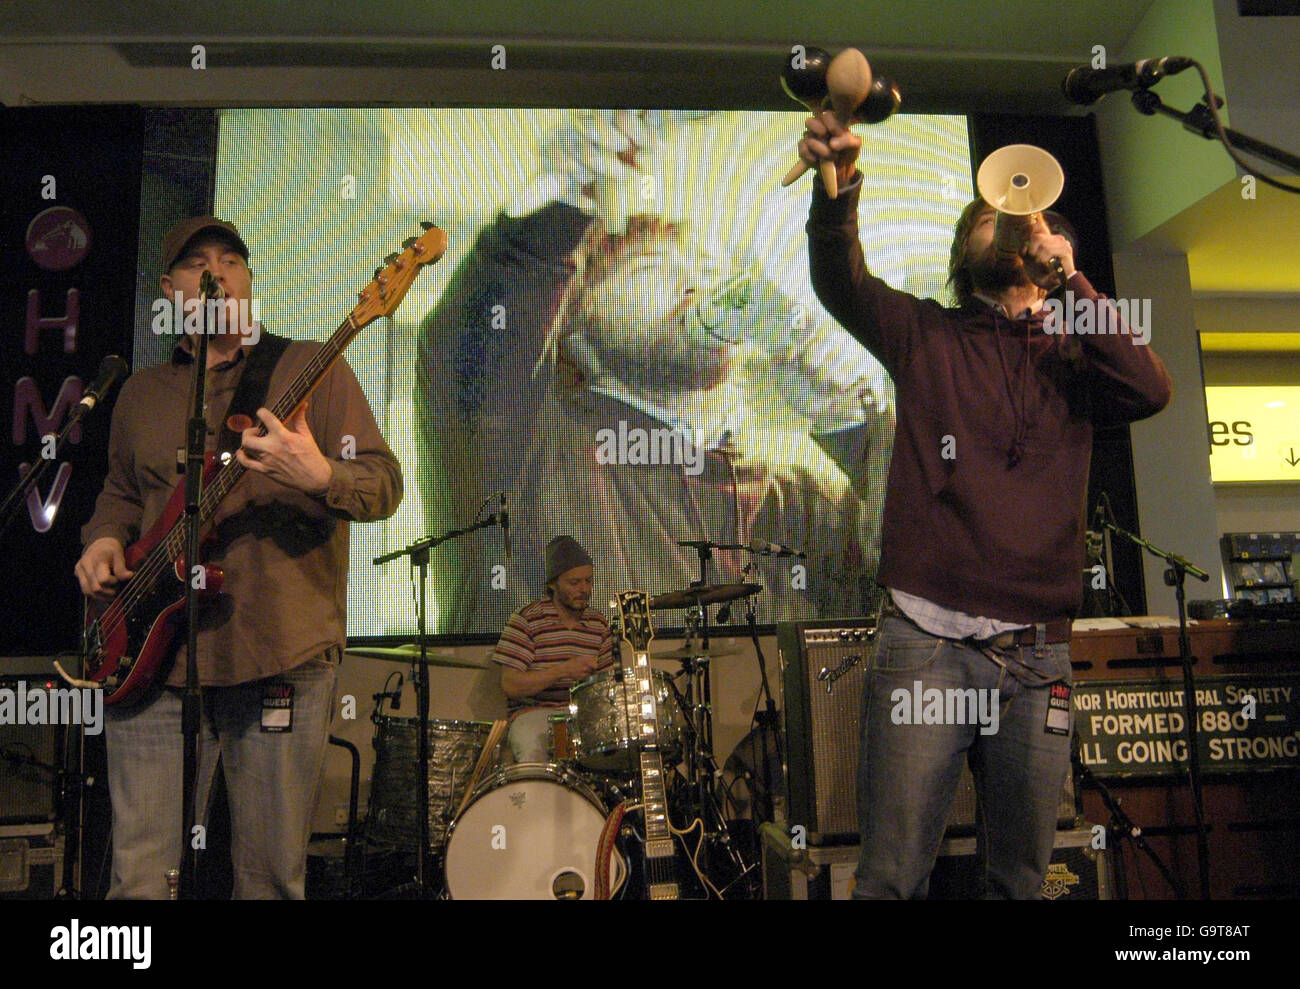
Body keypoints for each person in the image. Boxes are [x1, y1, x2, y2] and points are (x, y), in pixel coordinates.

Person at [799, 115, 1172, 898]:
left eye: (1029, 223)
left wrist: (1070, 283)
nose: (1003, 223)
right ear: (965, 250)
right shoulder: (925, 333)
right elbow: (842, 279)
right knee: (891, 878)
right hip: (925, 640)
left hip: (1038, 656)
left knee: (1021, 881)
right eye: (986, 217)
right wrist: (838, 190)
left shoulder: (1075, 354)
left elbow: (1150, 387)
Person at [414, 111, 892, 636]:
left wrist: (833, 408)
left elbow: (907, 560)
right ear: (575, 324)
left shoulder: (784, 494)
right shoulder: (528, 426)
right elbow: (482, 319)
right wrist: (591, 170)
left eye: (702, 272)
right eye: (652, 268)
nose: (694, 285)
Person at [75, 216, 403, 899]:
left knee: (270, 880)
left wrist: (319, 476)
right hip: (152, 660)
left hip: (277, 653)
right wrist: (102, 538)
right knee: (139, 876)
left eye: (232, 260)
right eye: (198, 264)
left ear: (251, 280)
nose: (217, 272)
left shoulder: (311, 366)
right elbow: (120, 494)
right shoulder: (140, 394)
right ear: (171, 290)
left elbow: (383, 485)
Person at [492, 535, 618, 763]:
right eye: (574, 583)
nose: (584, 589)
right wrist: (562, 671)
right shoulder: (527, 621)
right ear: (553, 584)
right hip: (535, 715)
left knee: (617, 754)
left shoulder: (599, 625)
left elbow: (607, 688)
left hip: (583, 718)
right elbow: (510, 685)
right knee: (534, 755)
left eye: (588, 581)